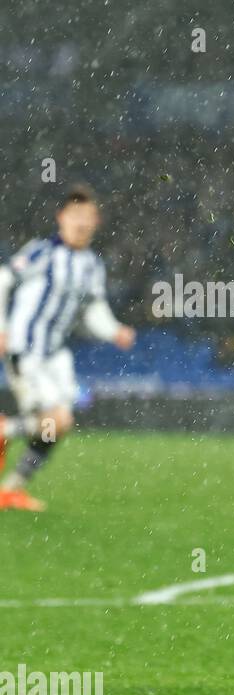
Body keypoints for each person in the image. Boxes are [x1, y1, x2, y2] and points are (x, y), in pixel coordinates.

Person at [0, 185, 136, 511]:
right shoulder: (43, 252)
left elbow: (93, 309)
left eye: (88, 216)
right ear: (61, 217)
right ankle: (5, 429)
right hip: (27, 350)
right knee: (56, 421)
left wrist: (114, 330)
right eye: (75, 215)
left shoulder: (91, 265)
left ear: (96, 222)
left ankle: (10, 489)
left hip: (57, 356)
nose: (81, 222)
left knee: (58, 427)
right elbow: (4, 279)